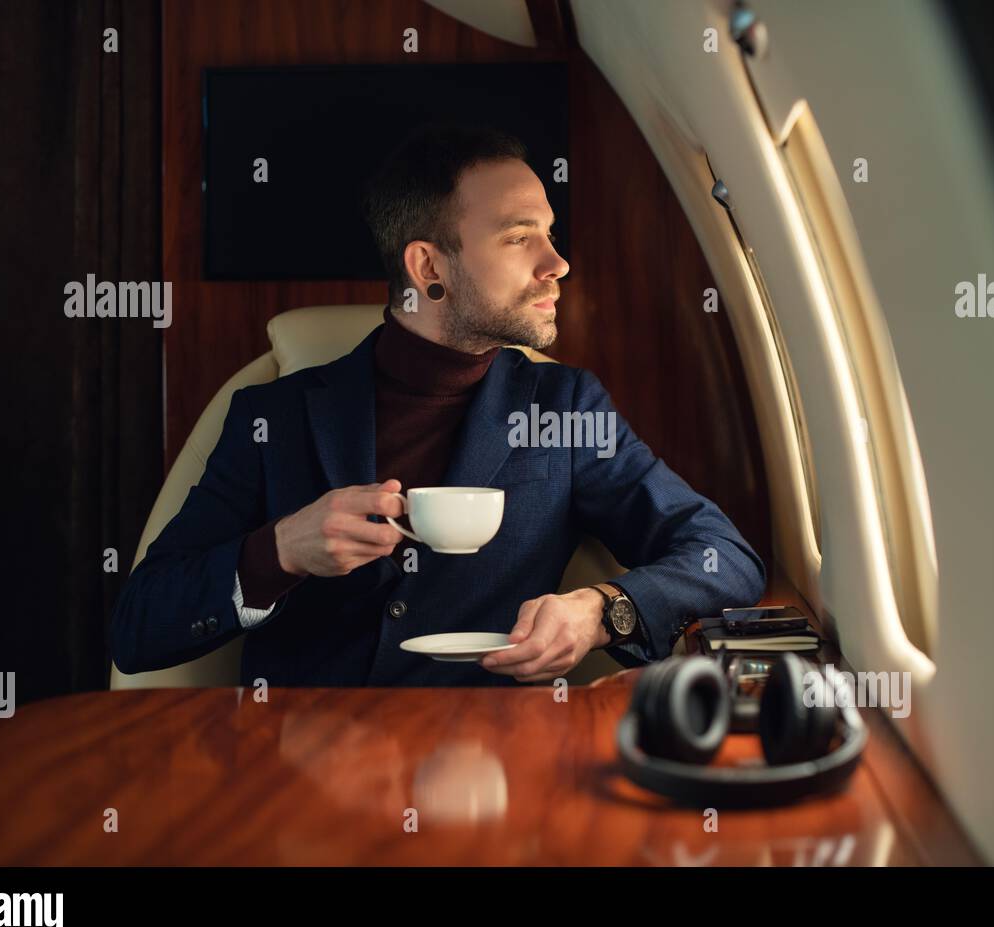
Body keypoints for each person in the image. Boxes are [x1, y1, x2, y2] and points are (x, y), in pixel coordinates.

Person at [110, 123, 766, 687]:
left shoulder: (565, 408)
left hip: (492, 771)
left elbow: (723, 556)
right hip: (295, 776)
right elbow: (140, 629)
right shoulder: (272, 418)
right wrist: (277, 552)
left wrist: (603, 609)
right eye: (519, 237)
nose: (558, 263)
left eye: (550, 233)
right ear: (430, 268)